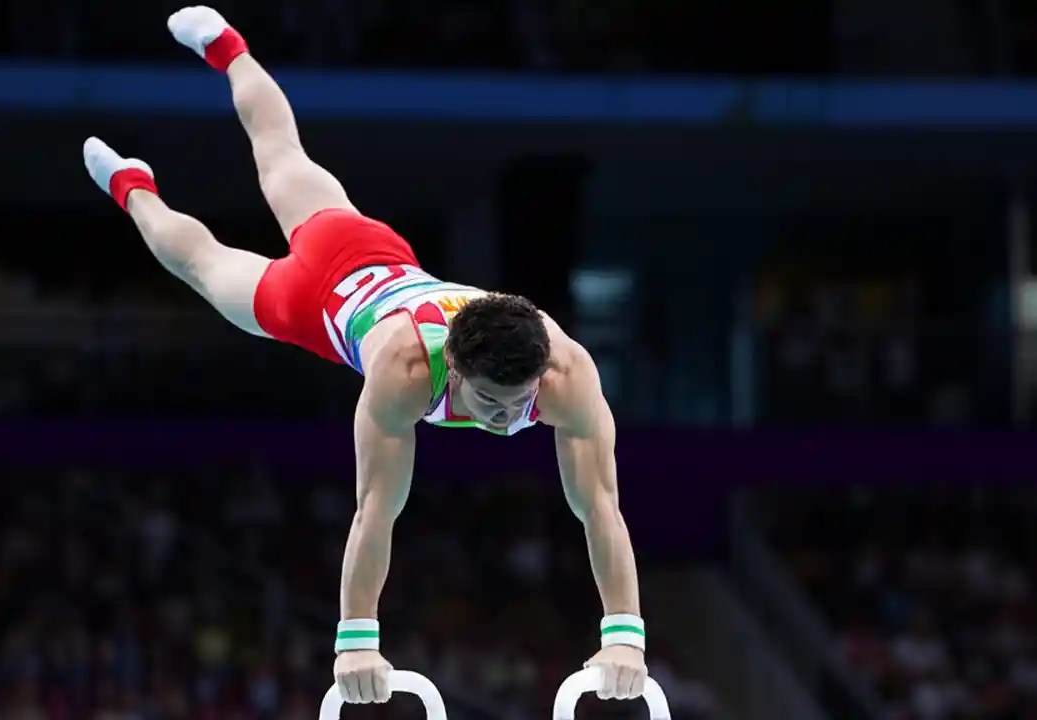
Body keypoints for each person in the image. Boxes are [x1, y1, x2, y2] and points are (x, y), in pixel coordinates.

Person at [82, 6, 648, 706]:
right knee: (225, 232)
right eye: (493, 404)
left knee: (283, 167)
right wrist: (357, 638)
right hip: (320, 290)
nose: (507, 422)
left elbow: (600, 505)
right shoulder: (405, 374)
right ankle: (155, 156)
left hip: (385, 263)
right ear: (456, 370)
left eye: (520, 402)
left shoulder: (567, 377)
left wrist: (624, 632)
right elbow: (376, 508)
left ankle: (215, 71)